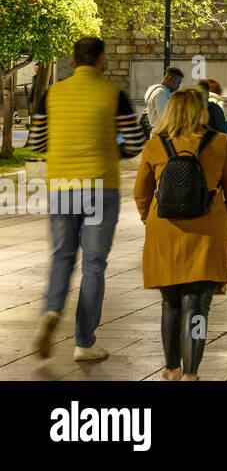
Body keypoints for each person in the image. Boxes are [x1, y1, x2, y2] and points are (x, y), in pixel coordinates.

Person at [29, 37, 146, 362]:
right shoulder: (114, 94)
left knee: (62, 256)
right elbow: (134, 143)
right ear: (101, 60)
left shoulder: (53, 94)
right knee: (94, 264)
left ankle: (51, 311)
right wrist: (113, 147)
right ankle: (84, 343)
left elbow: (37, 142)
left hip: (61, 185)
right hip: (99, 187)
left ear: (74, 59)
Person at [134, 88, 227, 380]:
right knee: (197, 306)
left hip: (164, 230)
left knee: (169, 303)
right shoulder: (219, 142)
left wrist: (152, 220)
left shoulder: (155, 144)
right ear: (199, 112)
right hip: (207, 232)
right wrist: (226, 224)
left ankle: (171, 368)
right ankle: (191, 373)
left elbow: (141, 193)